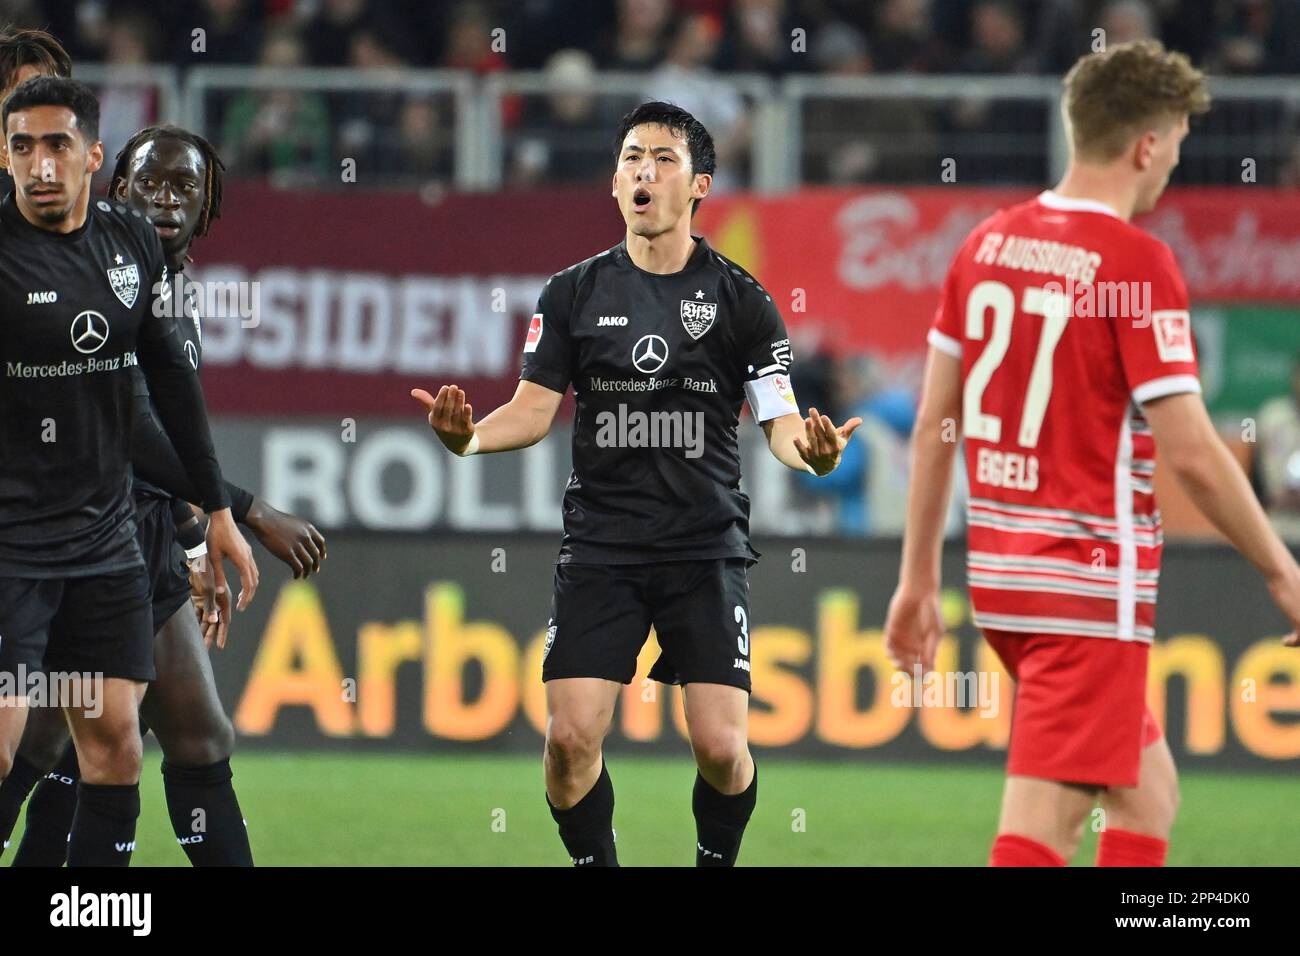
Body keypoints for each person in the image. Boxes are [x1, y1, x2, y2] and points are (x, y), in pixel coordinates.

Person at [884, 40, 1300, 868]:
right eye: (1177, 143)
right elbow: (1190, 452)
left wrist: (919, 578)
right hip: (1083, 589)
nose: (1175, 163)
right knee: (1047, 829)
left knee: (1147, 795)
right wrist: (1282, 570)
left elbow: (937, 419)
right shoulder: (1136, 264)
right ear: (1147, 144)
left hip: (1006, 580)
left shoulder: (986, 246)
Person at [414, 102, 859, 867]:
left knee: (722, 749)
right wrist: (471, 437)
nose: (642, 171)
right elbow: (530, 410)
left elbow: (780, 421)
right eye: (630, 158)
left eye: (662, 158)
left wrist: (811, 455)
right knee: (569, 739)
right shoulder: (572, 294)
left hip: (704, 547)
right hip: (602, 548)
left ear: (700, 186)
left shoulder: (742, 300)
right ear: (615, 183)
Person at [2, 124, 328, 867]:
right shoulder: (95, 276)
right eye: (149, 183)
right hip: (74, 533)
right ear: (117, 188)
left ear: (208, 208)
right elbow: (129, 426)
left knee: (166, 736)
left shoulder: (169, 286)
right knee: (61, 741)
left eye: (186, 189)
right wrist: (247, 510)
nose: (166, 202)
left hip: (140, 530)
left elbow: (154, 434)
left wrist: (187, 535)